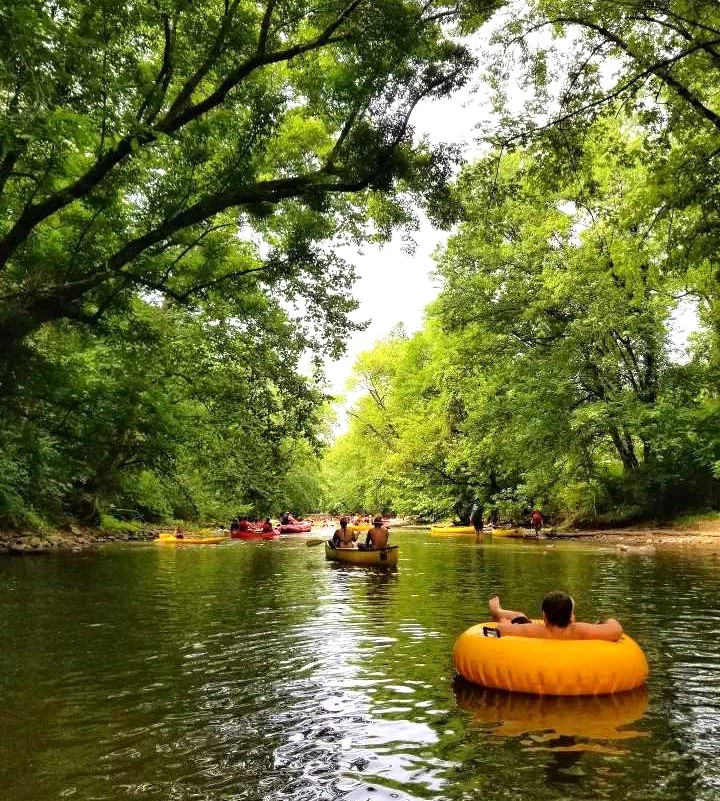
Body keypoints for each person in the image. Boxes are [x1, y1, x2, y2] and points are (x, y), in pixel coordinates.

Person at [487, 591, 623, 641]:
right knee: (519, 615)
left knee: (519, 615)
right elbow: (616, 631)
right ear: (571, 616)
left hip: (539, 635)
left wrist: (505, 624)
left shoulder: (533, 630)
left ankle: (498, 611)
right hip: (571, 632)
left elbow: (497, 631)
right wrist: (608, 620)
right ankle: (497, 610)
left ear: (544, 616)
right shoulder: (579, 631)